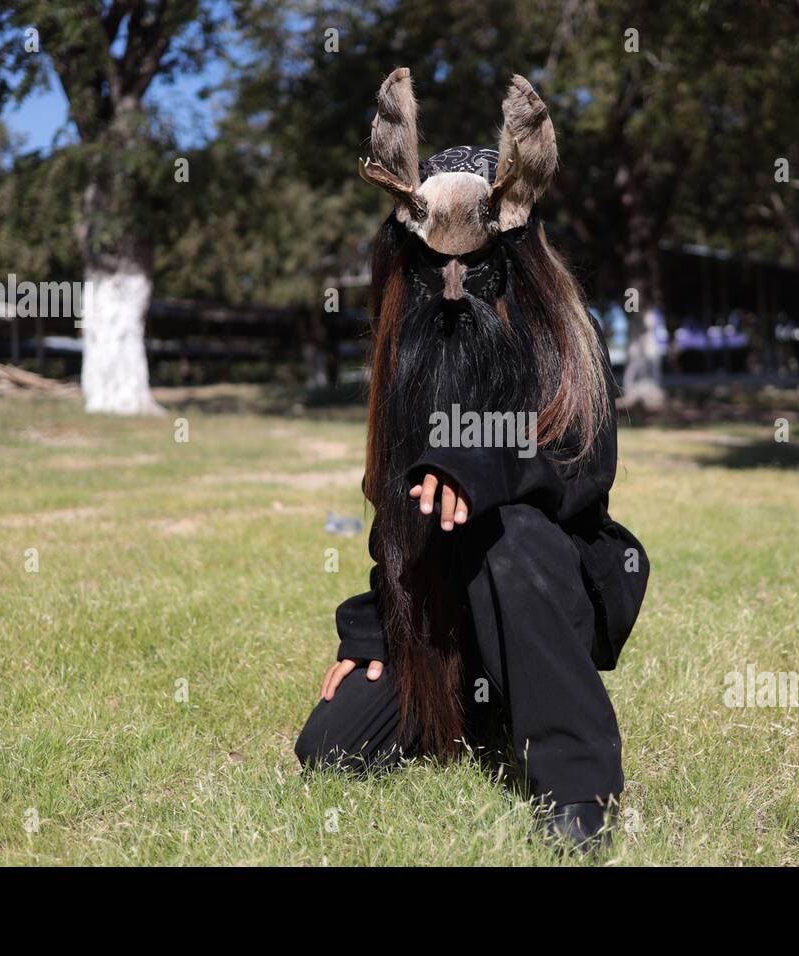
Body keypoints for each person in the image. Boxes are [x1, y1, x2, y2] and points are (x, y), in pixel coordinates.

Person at [293, 69, 650, 853]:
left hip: (549, 575)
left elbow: (581, 467)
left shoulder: (564, 328)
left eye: (475, 262)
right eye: (433, 266)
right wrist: (366, 637)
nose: (451, 280)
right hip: (436, 600)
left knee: (513, 536)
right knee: (331, 747)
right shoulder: (405, 340)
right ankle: (485, 704)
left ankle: (579, 790)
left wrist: (475, 465)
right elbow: (393, 514)